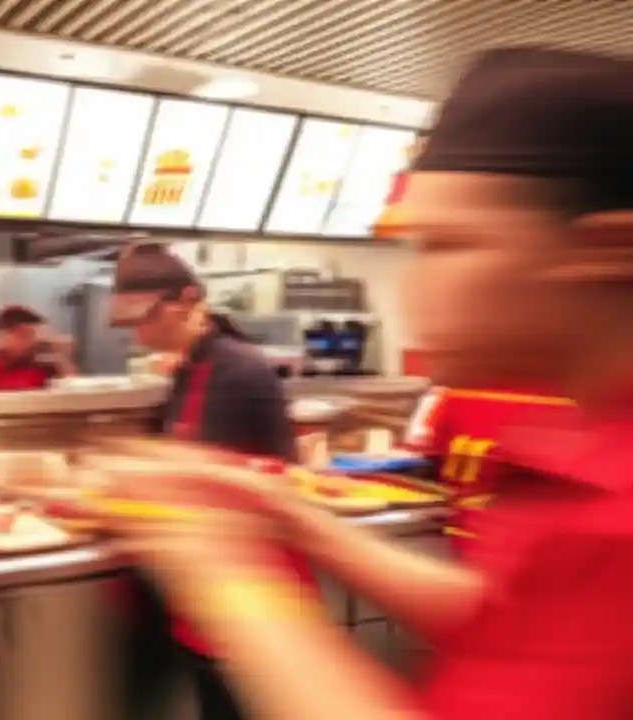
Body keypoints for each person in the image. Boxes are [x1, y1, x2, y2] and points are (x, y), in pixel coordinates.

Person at [113, 47, 633, 720]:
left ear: (604, 252)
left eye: (449, 246)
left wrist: (227, 572)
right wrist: (296, 523)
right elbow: (504, 620)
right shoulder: (584, 450)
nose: (413, 289)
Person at [108, 241, 310, 720]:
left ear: (188, 300)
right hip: (217, 596)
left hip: (252, 598)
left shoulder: (234, 369)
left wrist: (129, 483)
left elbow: (206, 480)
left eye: (146, 318)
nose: (139, 332)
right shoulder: (193, 366)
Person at [402, 384, 576, 554]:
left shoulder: (452, 394)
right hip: (507, 545)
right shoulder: (451, 394)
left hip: (475, 539)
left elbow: (426, 453)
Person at [0, 304, 75, 391]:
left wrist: (62, 358)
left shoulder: (45, 365)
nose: (30, 342)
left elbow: (74, 395)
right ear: (3, 335)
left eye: (32, 335)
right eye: (24, 336)